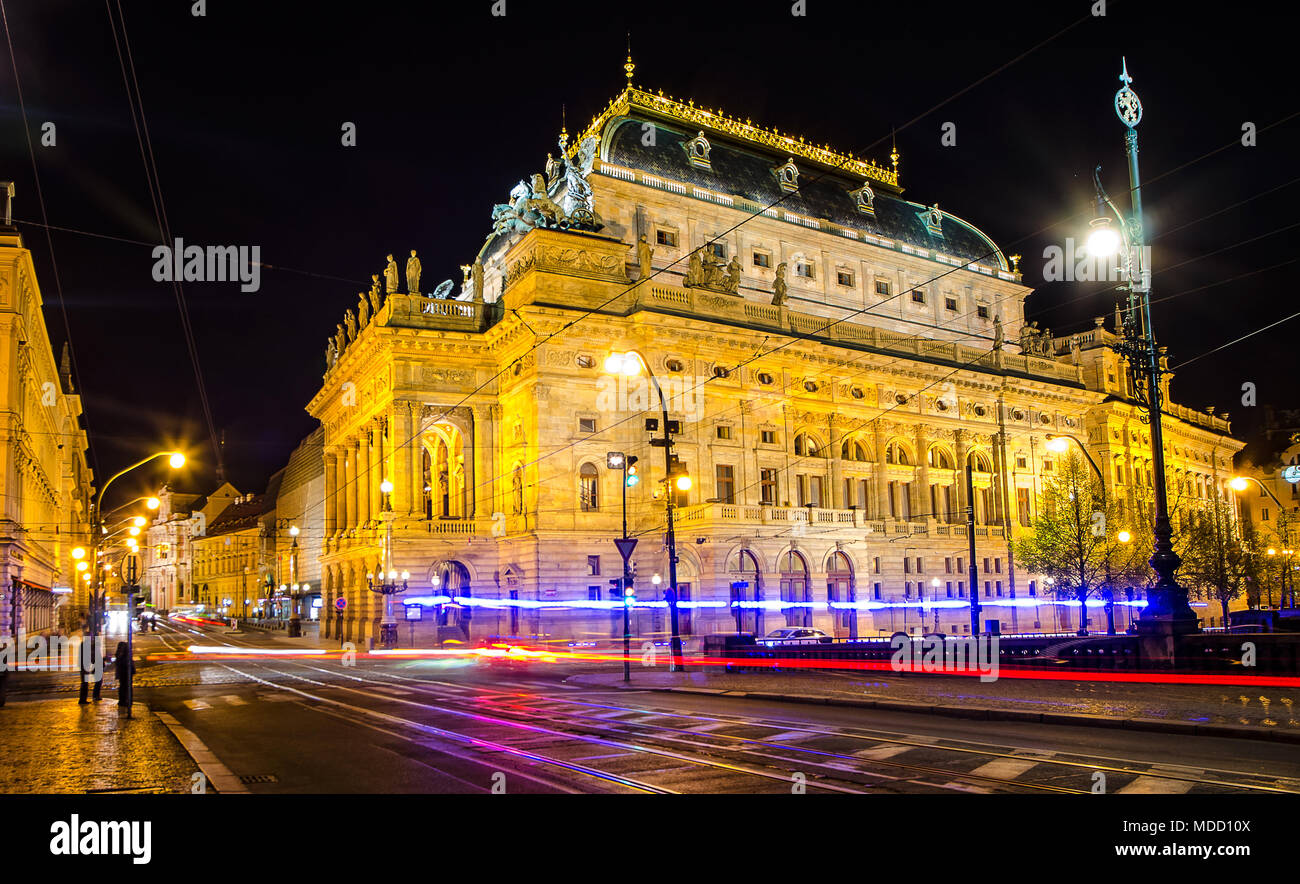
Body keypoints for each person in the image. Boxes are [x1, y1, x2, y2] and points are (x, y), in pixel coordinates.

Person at [78, 621, 103, 704]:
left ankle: (93, 696)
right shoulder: (85, 645)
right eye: (90, 637)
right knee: (85, 683)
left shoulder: (89, 644)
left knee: (96, 680)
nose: (92, 638)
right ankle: (83, 699)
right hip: (85, 666)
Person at [114, 641, 134, 710]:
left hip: (124, 673)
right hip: (125, 673)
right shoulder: (124, 655)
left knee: (123, 686)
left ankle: (124, 700)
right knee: (125, 687)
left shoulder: (121, 654)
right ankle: (125, 700)